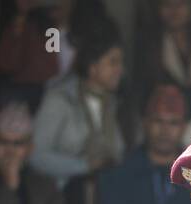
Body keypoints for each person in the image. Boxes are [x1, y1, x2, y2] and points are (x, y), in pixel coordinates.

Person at [30, 27, 126, 189]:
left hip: (105, 192)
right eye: (112, 62)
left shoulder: (113, 104)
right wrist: (85, 165)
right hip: (59, 195)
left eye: (120, 62)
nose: (120, 70)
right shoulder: (59, 99)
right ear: (92, 67)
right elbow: (35, 155)